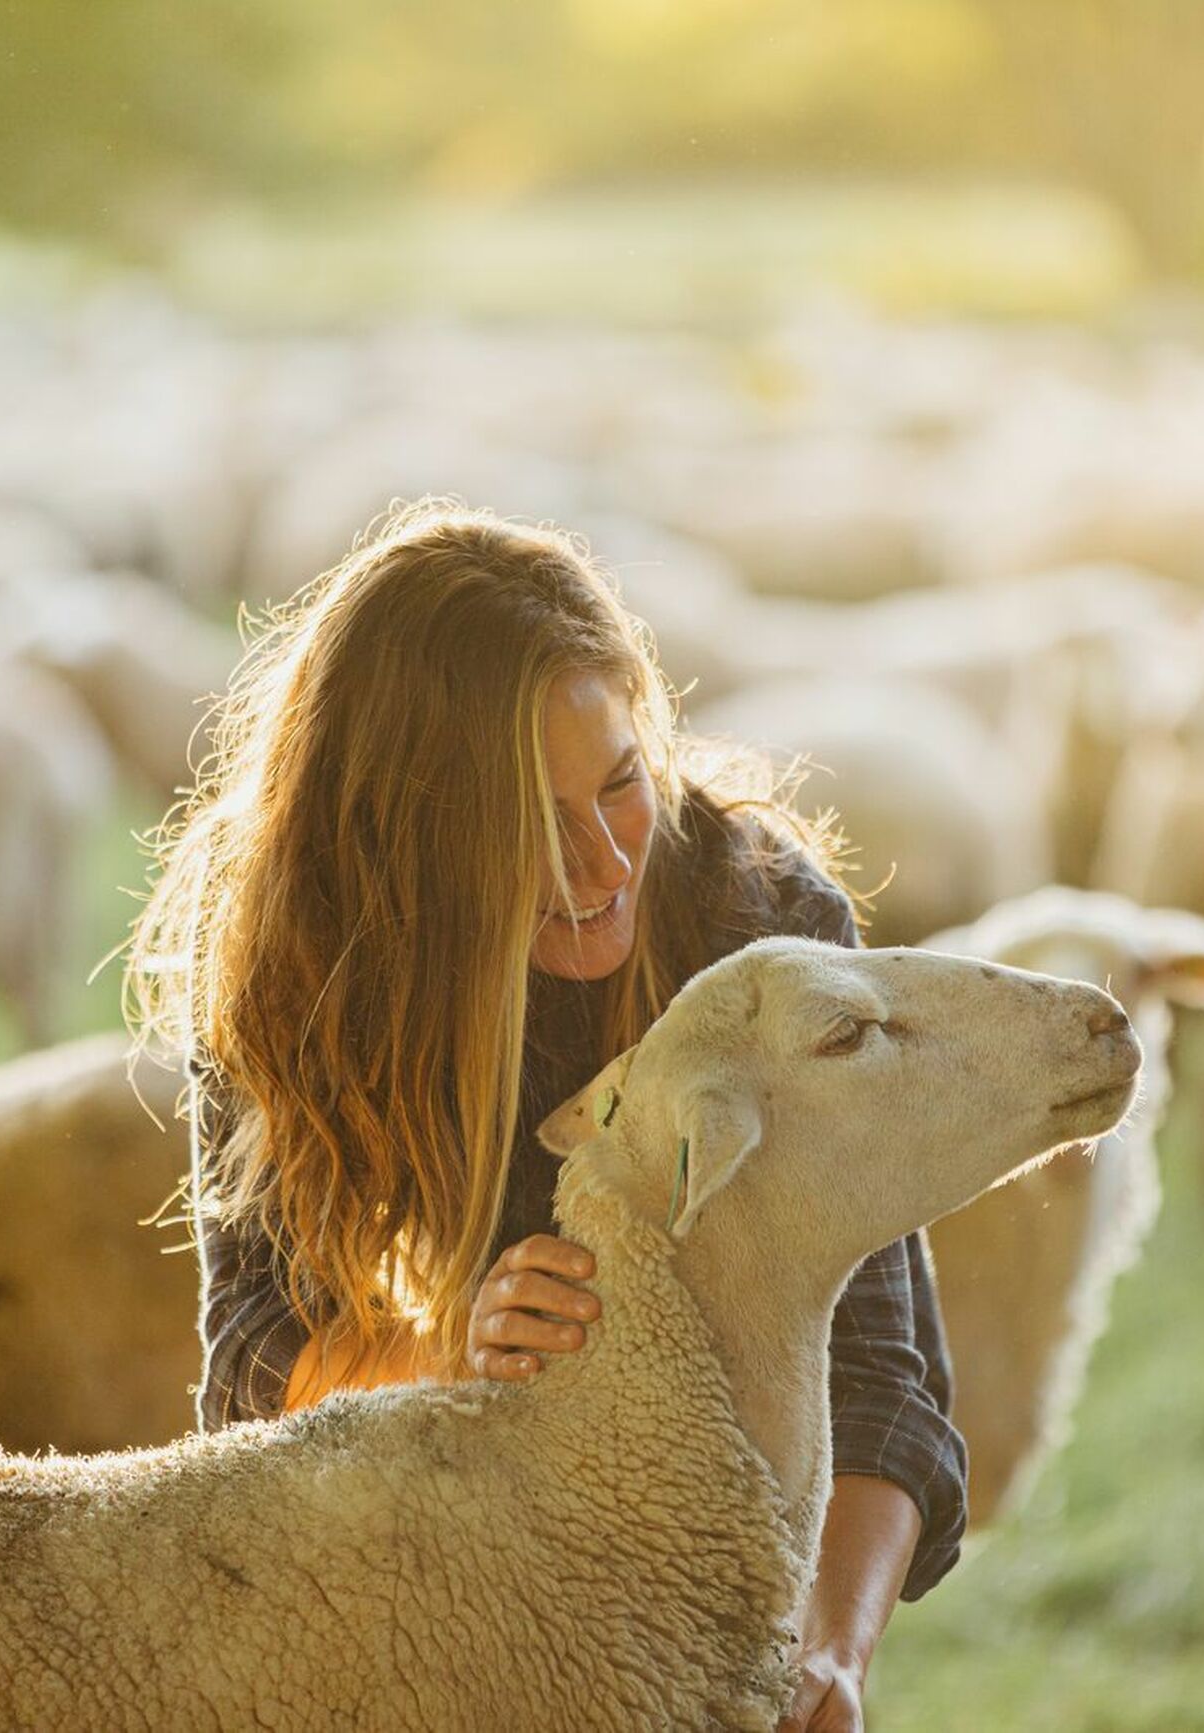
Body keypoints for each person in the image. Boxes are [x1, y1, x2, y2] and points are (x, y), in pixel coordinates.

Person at [129, 501, 965, 1729]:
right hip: (418, 1595)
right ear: (401, 837)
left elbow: (882, 1365)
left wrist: (826, 1653)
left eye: (620, 785)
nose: (601, 865)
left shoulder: (757, 923)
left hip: (723, 1603)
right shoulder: (298, 963)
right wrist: (441, 1352)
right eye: (523, 828)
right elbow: (250, 1359)